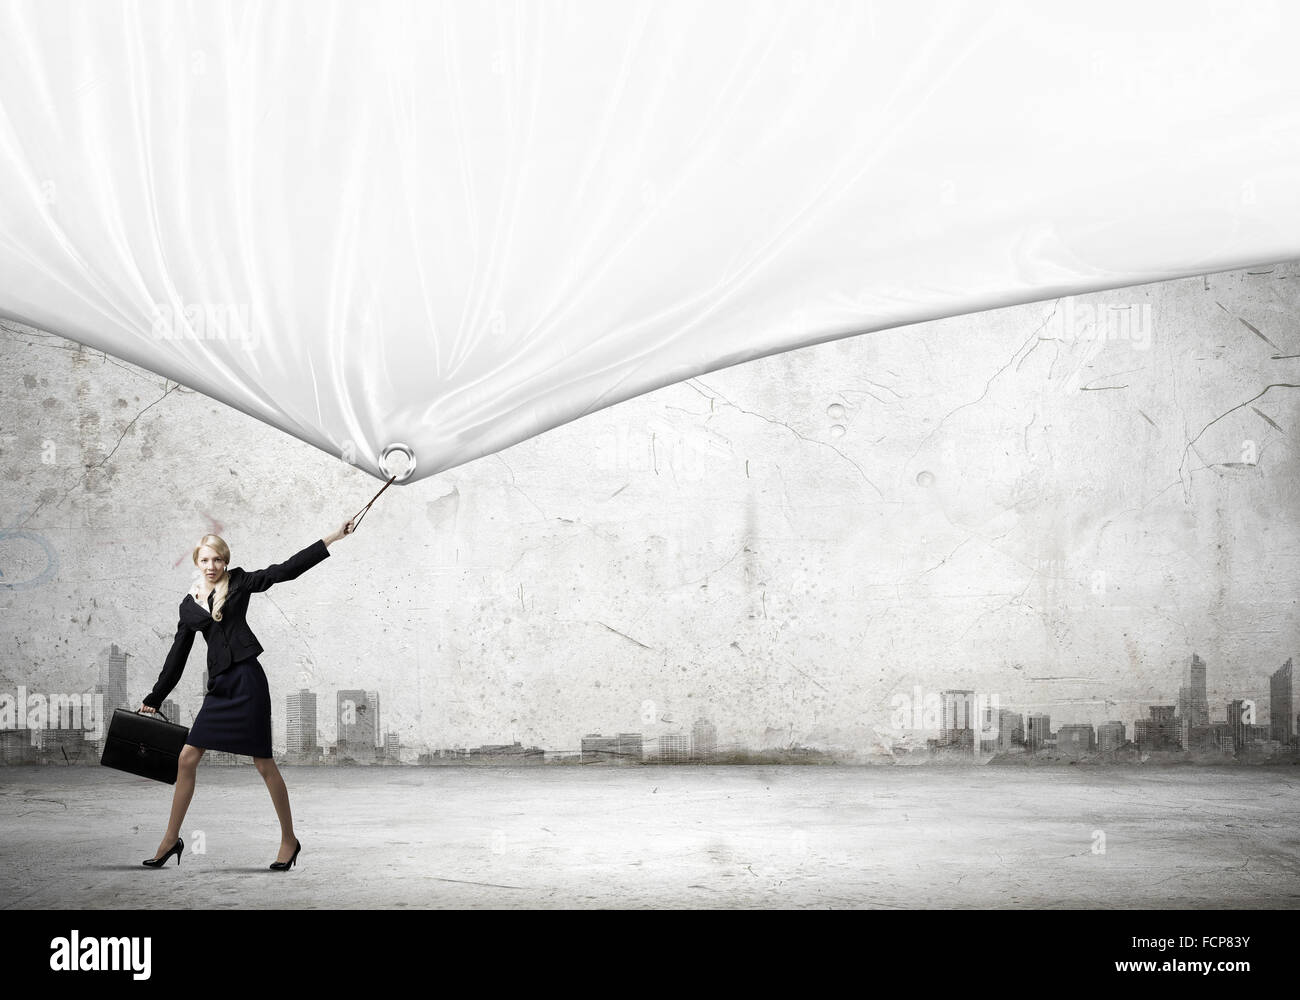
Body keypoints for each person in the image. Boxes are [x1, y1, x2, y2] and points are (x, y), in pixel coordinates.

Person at [138, 519, 355, 870]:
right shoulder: (189, 606)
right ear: (198, 562)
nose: (212, 567)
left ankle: (289, 839)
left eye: (217, 561)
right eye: (205, 560)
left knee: (263, 763)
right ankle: (169, 840)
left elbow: (284, 571)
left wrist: (332, 537)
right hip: (220, 687)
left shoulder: (239, 582)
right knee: (187, 758)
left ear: (225, 562)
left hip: (248, 682)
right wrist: (155, 697)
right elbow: (177, 655)